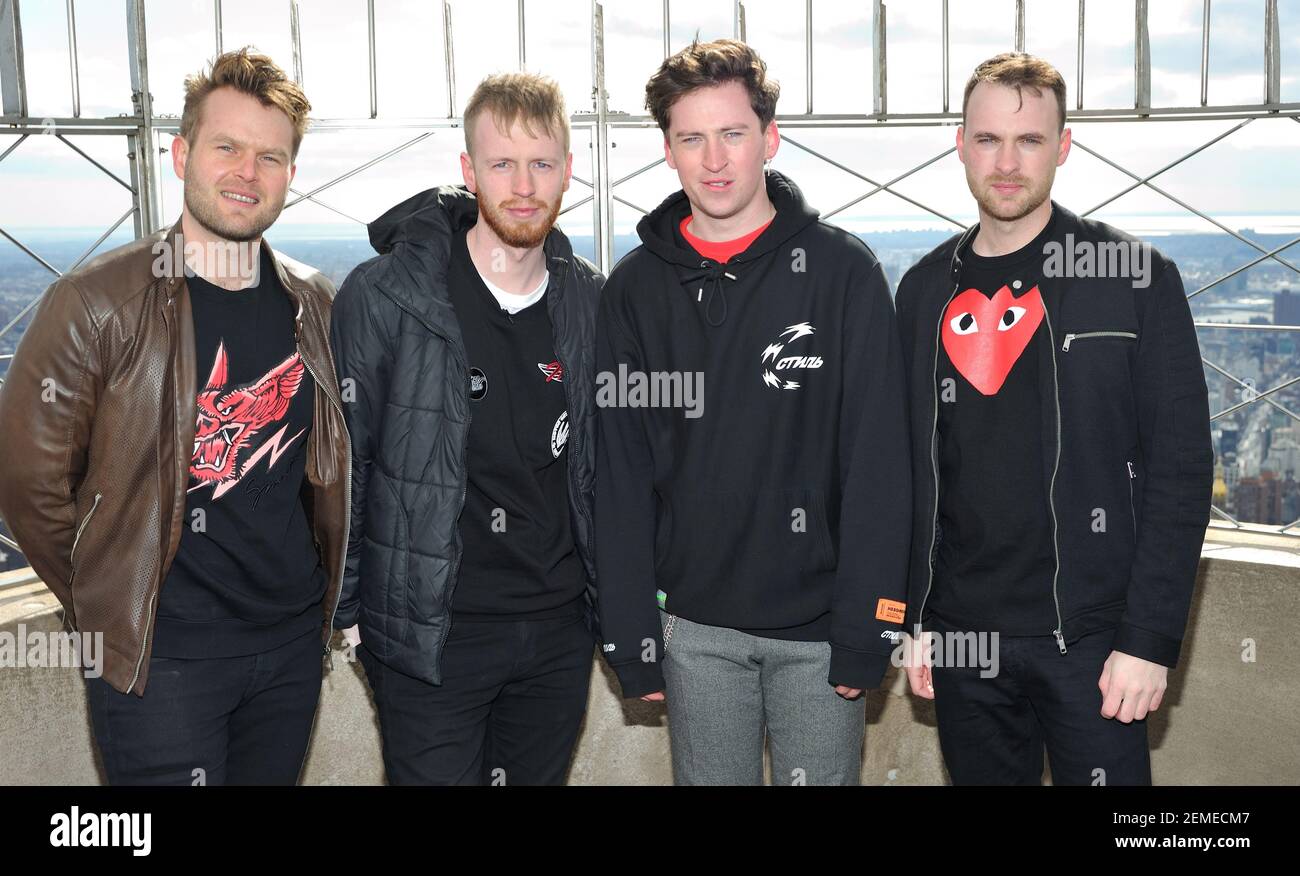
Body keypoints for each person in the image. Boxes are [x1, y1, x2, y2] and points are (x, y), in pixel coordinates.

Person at [0, 48, 348, 785]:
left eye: (271, 157)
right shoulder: (97, 303)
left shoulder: (314, 302)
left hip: (289, 648)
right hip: (161, 660)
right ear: (181, 153)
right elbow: (29, 486)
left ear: (291, 173)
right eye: (227, 147)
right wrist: (110, 604)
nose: (247, 173)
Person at [595, 39, 911, 785]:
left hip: (822, 633)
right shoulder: (635, 291)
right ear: (667, 151)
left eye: (732, 134)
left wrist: (870, 629)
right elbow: (619, 474)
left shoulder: (843, 272)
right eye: (690, 138)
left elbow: (880, 468)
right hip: (692, 630)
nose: (714, 159)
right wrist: (633, 633)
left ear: (769, 138)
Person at [895, 53, 1213, 785]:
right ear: (960, 143)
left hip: (1095, 642)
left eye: (1030, 141)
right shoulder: (921, 292)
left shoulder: (1134, 278)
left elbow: (1181, 470)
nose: (1007, 164)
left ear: (1063, 146)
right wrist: (910, 620)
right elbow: (904, 469)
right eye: (988, 140)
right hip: (962, 639)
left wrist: (1150, 640)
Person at [330, 72, 603, 786]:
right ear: (468, 172)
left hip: (555, 631)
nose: (522, 184)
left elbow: (610, 471)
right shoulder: (388, 294)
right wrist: (349, 606)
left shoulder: (591, 301)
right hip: (431, 636)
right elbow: (346, 459)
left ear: (568, 173)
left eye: (542, 163)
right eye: (501, 163)